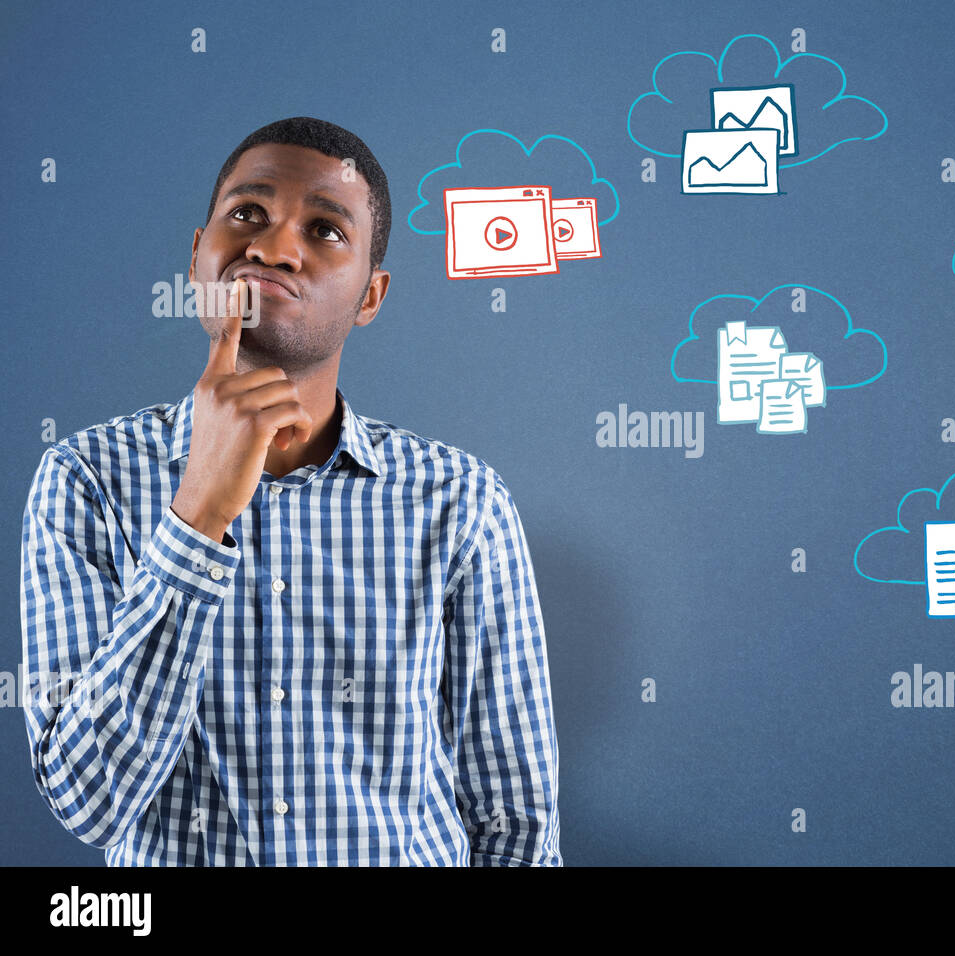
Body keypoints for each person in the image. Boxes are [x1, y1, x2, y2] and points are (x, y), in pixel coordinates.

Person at [19, 117, 562, 866]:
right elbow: (86, 799)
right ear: (196, 255)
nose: (272, 249)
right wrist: (198, 518)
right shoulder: (84, 481)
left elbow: (516, 823)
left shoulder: (461, 503)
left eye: (325, 229)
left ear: (371, 296)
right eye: (248, 214)